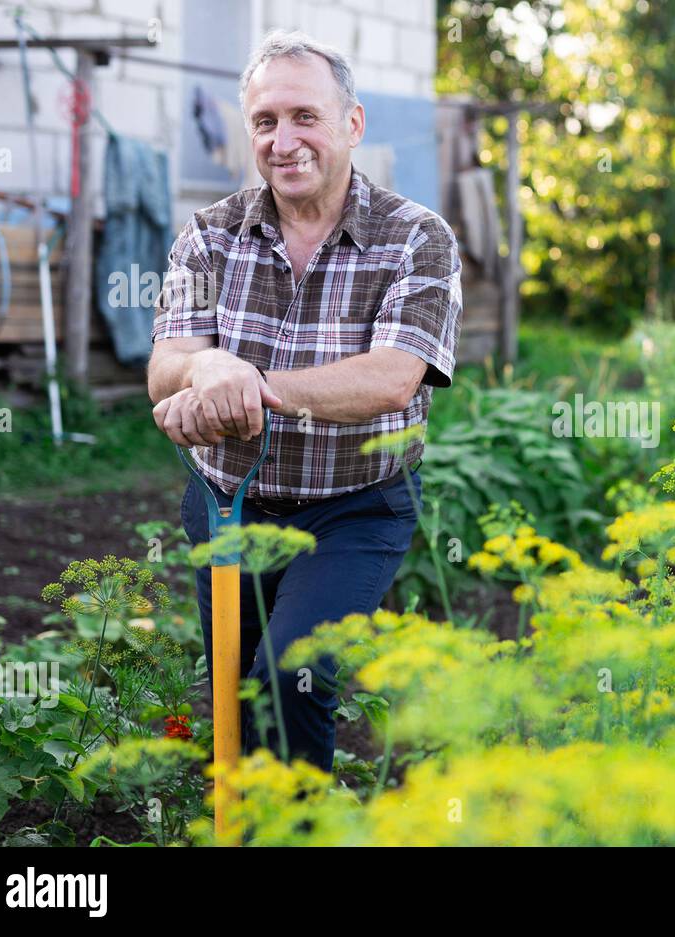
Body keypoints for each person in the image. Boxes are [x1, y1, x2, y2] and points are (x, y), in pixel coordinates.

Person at [147, 30, 462, 771]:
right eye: (264, 122)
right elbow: (169, 365)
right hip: (227, 501)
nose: (283, 141)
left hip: (354, 505)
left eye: (304, 117)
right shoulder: (210, 234)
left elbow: (392, 377)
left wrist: (242, 385)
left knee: (289, 678)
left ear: (352, 124)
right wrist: (207, 368)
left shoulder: (417, 238)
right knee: (232, 697)